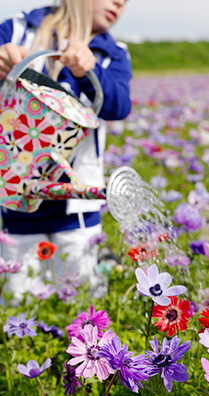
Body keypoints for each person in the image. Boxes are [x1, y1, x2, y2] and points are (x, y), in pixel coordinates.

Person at [0, 0, 131, 303]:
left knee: (82, 305)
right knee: (17, 306)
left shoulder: (112, 53)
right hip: (17, 203)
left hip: (76, 210)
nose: (120, 3)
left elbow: (118, 105)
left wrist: (89, 70)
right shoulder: (17, 30)